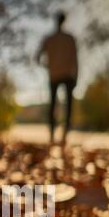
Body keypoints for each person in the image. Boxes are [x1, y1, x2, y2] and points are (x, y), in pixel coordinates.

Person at [37, 11, 78, 147]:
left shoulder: (49, 39)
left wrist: (48, 66)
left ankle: (53, 136)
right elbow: (75, 59)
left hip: (54, 75)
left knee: (54, 104)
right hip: (67, 75)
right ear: (64, 21)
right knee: (67, 106)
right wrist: (76, 75)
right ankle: (64, 136)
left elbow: (37, 58)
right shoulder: (69, 38)